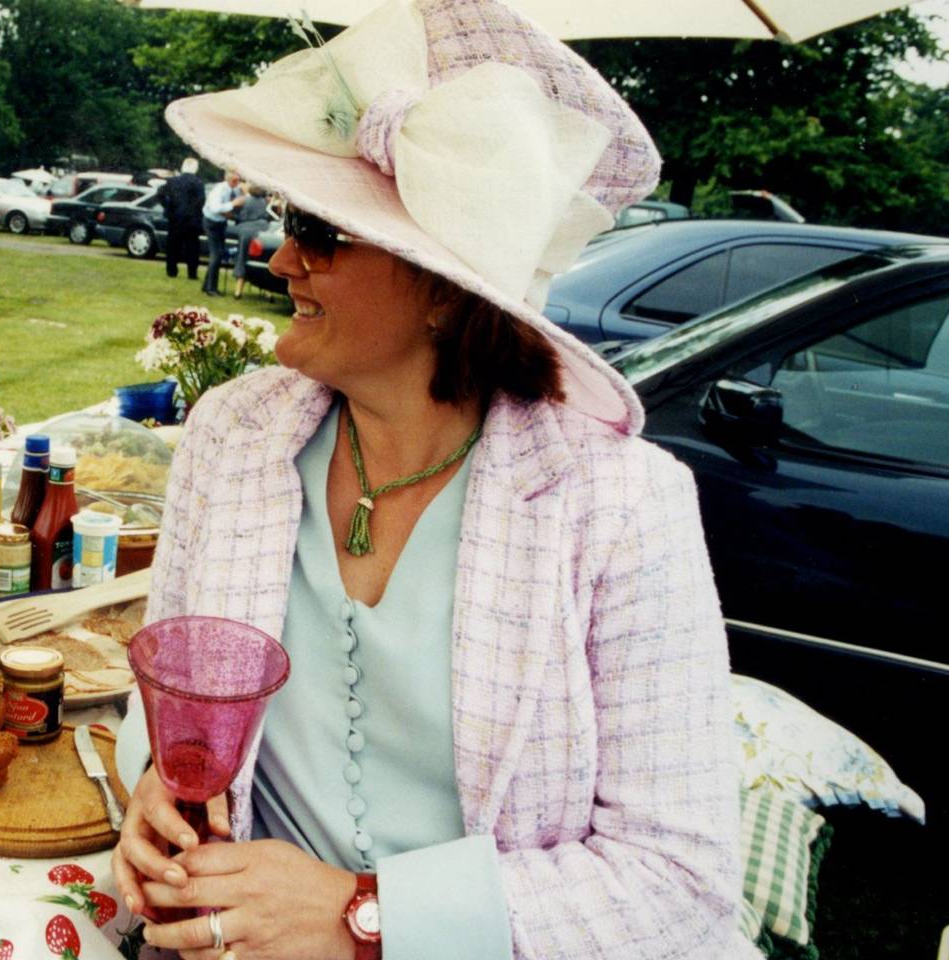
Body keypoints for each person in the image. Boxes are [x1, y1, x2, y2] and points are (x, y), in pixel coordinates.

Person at [111, 2, 754, 959]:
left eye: (321, 232)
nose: (281, 258)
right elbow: (162, 699)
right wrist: (154, 794)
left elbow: (677, 876)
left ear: (445, 288)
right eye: (291, 222)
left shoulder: (618, 504)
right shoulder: (233, 436)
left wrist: (363, 918)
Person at [156, 157, 206, 282]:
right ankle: (192, 273)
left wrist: (167, 206)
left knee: (173, 245)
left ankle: (171, 270)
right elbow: (201, 200)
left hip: (175, 217)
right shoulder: (198, 183)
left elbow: (160, 193)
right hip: (192, 220)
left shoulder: (173, 181)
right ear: (196, 168)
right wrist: (194, 210)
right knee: (192, 247)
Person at [200, 169, 243, 296]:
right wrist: (233, 204)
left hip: (220, 222)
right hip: (211, 222)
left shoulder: (234, 189)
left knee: (218, 253)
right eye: (235, 180)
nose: (237, 182)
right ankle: (211, 289)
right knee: (216, 254)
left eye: (238, 180)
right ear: (229, 179)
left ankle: (207, 285)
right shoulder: (219, 190)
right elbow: (215, 208)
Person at [230, 184, 271, 299]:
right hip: (262, 229)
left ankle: (238, 291)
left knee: (242, 257)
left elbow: (232, 211)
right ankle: (268, 291)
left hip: (246, 229)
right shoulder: (265, 201)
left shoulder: (244, 200)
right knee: (262, 259)